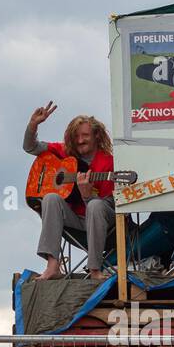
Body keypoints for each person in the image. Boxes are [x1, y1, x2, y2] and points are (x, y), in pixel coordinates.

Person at [24, 102, 115, 281]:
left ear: (96, 135)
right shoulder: (65, 152)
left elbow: (108, 206)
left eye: (85, 135)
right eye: (76, 136)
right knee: (50, 197)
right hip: (74, 220)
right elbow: (31, 147)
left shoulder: (109, 163)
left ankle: (95, 269)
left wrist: (88, 196)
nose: (80, 140)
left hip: (102, 222)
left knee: (96, 205)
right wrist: (33, 125)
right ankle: (52, 266)